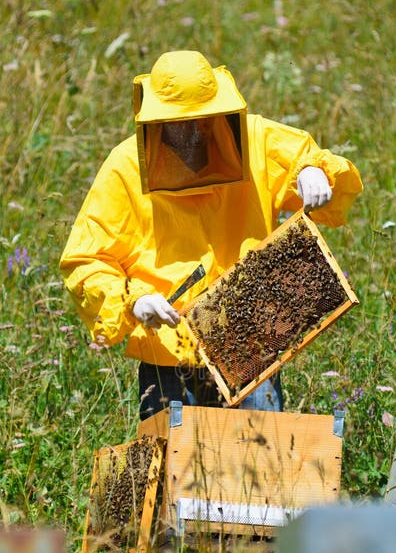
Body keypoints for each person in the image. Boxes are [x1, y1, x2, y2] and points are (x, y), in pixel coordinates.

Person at [60, 50, 363, 420]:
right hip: (169, 354)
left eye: (202, 121)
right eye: (179, 124)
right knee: (177, 473)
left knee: (256, 466)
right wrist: (132, 300)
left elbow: (307, 156)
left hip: (251, 340)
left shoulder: (255, 139)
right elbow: (86, 260)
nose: (191, 132)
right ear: (156, 121)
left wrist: (315, 170)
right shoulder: (125, 167)